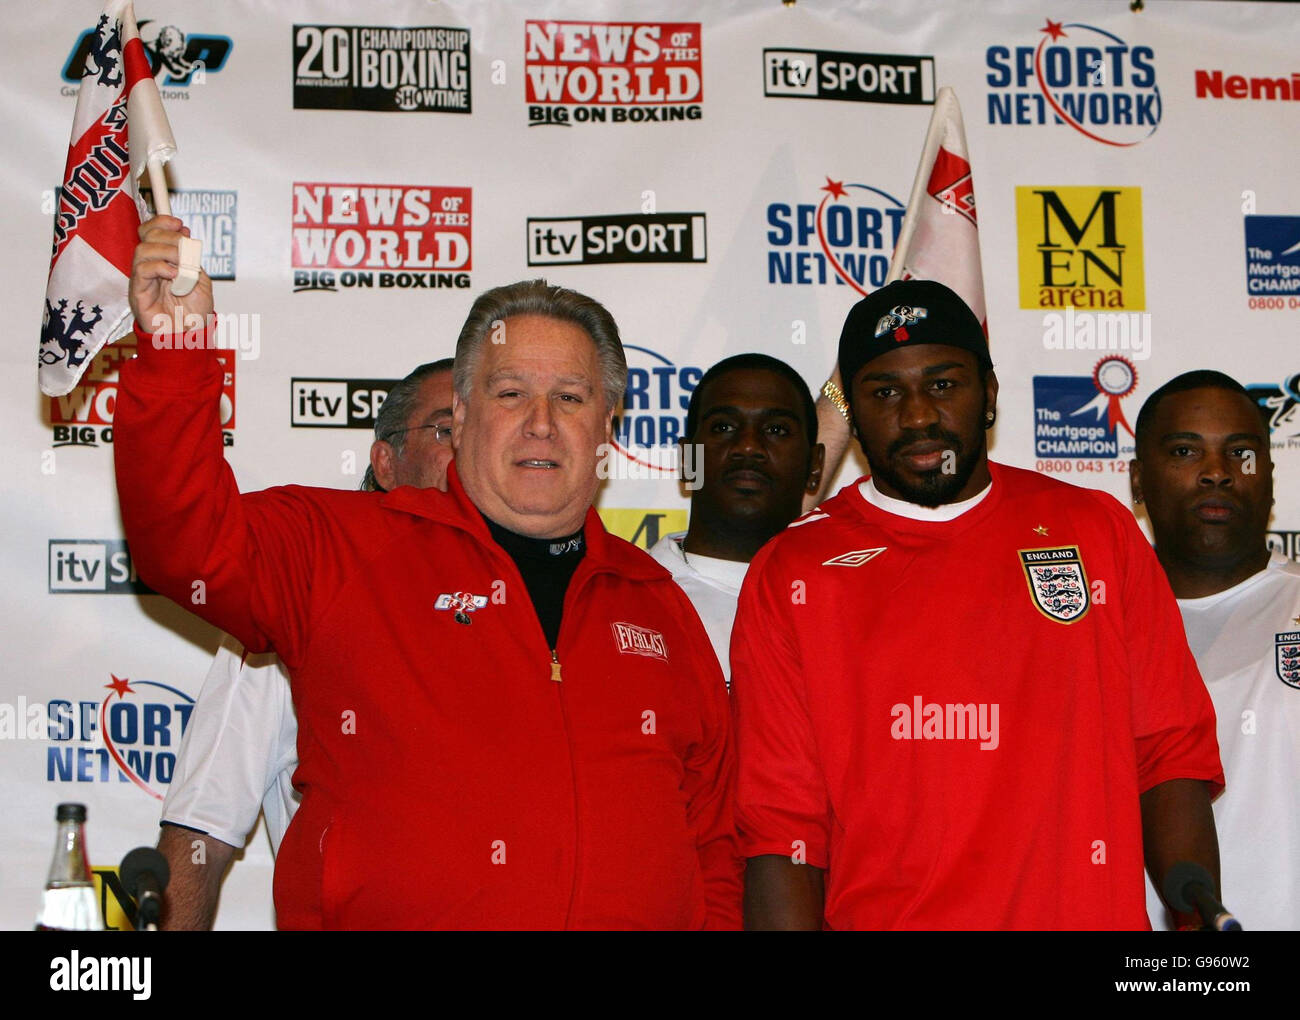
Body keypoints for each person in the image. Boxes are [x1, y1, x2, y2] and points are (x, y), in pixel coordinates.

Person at [116, 216, 739, 929]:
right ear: (465, 415)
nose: (541, 422)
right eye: (510, 394)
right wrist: (176, 354)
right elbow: (185, 544)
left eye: (570, 397)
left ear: (609, 425)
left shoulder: (658, 603)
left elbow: (713, 848)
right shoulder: (342, 549)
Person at [733, 279, 1224, 930]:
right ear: (851, 413)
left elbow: (1168, 755)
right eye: (885, 393)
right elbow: (781, 829)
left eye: (943, 384)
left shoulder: (1095, 532)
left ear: (989, 393)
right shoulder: (792, 573)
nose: (917, 416)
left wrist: (1197, 927)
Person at [157, 359, 455, 930]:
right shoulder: (304, 593)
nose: (469, 452)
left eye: (480, 429)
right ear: (386, 462)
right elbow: (201, 832)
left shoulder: (538, 601)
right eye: (446, 430)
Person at [1132, 370, 1300, 930]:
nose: (1217, 473)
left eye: (1241, 452)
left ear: (1271, 477)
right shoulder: (1087, 628)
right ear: (1137, 481)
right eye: (1185, 451)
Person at [648, 354, 824, 689]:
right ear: (688, 461)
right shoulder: (627, 599)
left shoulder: (847, 603)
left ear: (815, 466)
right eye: (723, 427)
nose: (747, 446)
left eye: (776, 430)